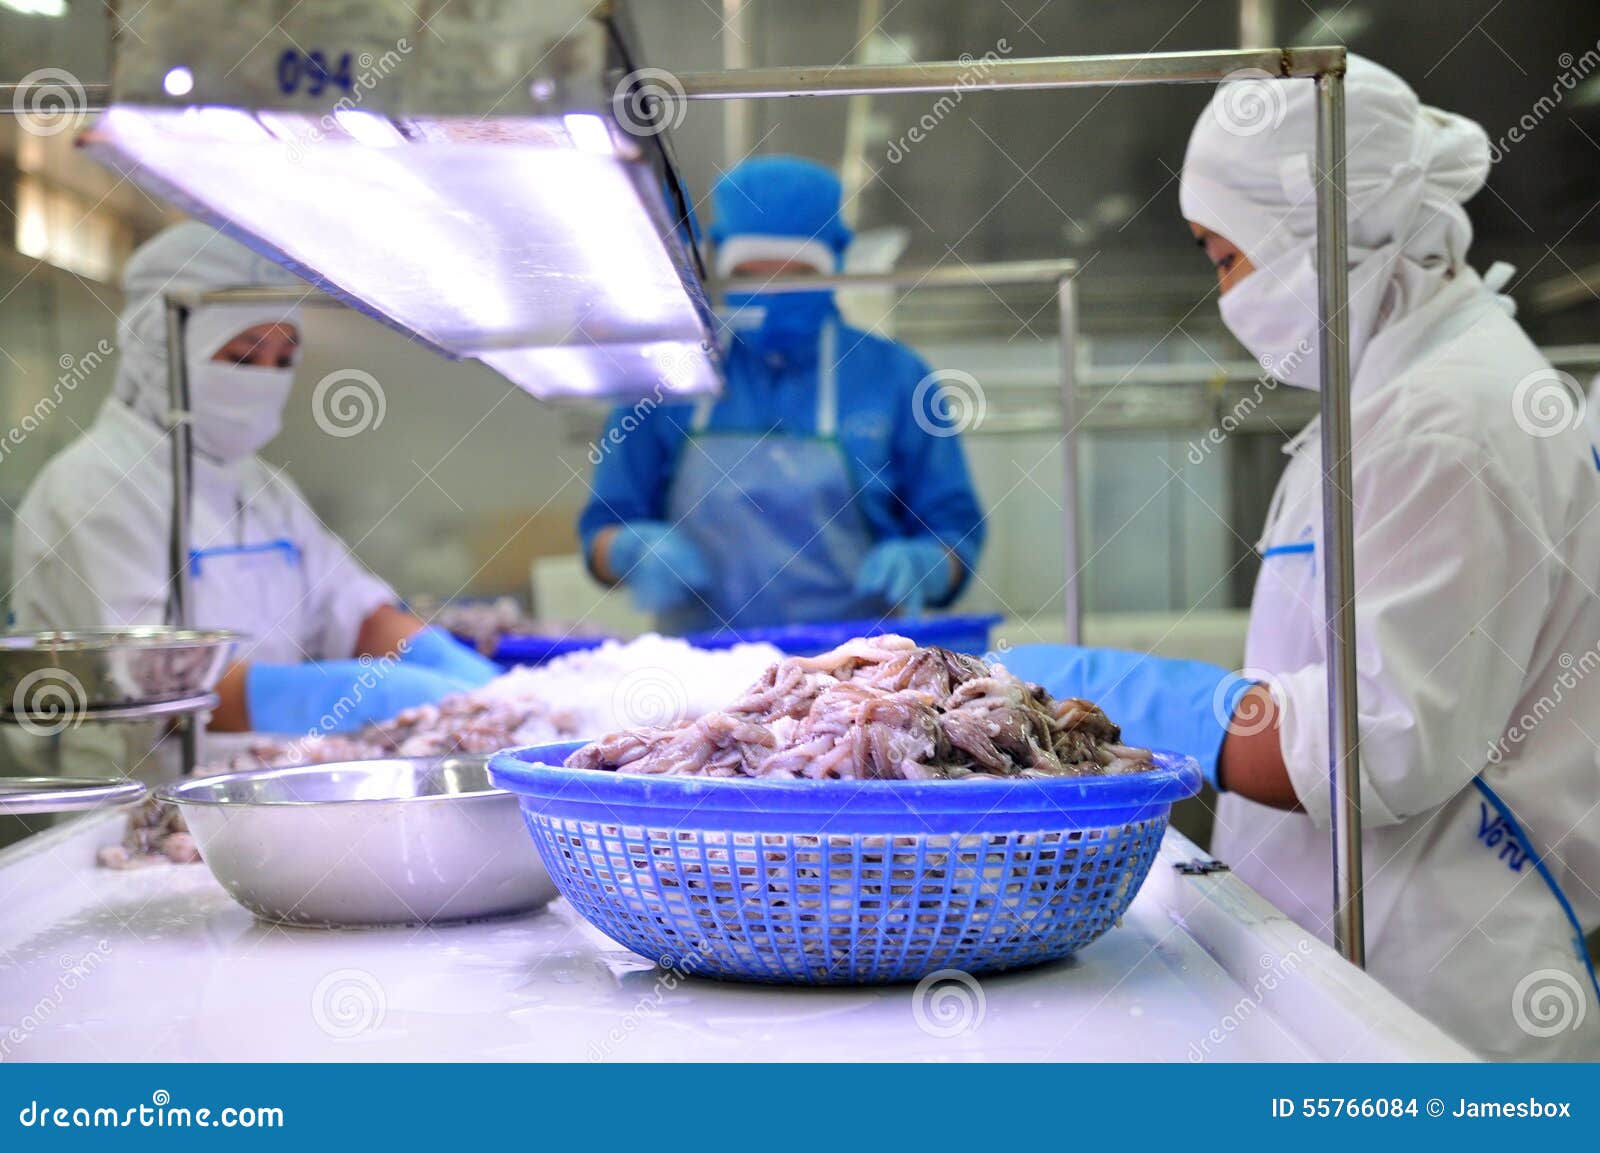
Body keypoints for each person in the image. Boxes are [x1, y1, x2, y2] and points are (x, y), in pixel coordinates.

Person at [1003, 56, 1600, 1058]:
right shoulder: (1392, 394)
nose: (1222, 292)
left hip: (1442, 992)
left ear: (1316, 233)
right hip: (1361, 956)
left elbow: (1382, 741)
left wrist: (1136, 706)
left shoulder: (1445, 416)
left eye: (1223, 255)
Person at [10, 222, 499, 737]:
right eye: (243, 355)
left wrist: (451, 668)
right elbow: (156, 686)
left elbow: (351, 611)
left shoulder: (263, 488)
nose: (265, 377)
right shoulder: (89, 490)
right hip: (135, 797)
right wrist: (369, 693)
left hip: (256, 782)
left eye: (284, 357)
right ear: (165, 351)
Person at [578, 156, 985, 634]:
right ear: (720, 268)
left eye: (797, 275)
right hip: (701, 677)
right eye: (750, 275)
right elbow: (600, 534)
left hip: (862, 678)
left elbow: (955, 532)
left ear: (834, 266)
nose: (772, 293)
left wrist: (928, 564)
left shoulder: (897, 378)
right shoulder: (669, 375)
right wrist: (631, 551)